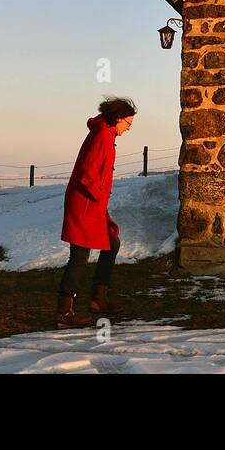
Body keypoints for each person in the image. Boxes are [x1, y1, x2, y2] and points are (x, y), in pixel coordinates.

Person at [56, 96, 135, 328]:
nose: (129, 129)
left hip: (94, 204)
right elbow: (88, 175)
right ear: (118, 118)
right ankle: (65, 312)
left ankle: (99, 300)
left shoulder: (106, 135)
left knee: (112, 243)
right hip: (85, 204)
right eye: (128, 124)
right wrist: (99, 199)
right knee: (79, 255)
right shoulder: (101, 135)